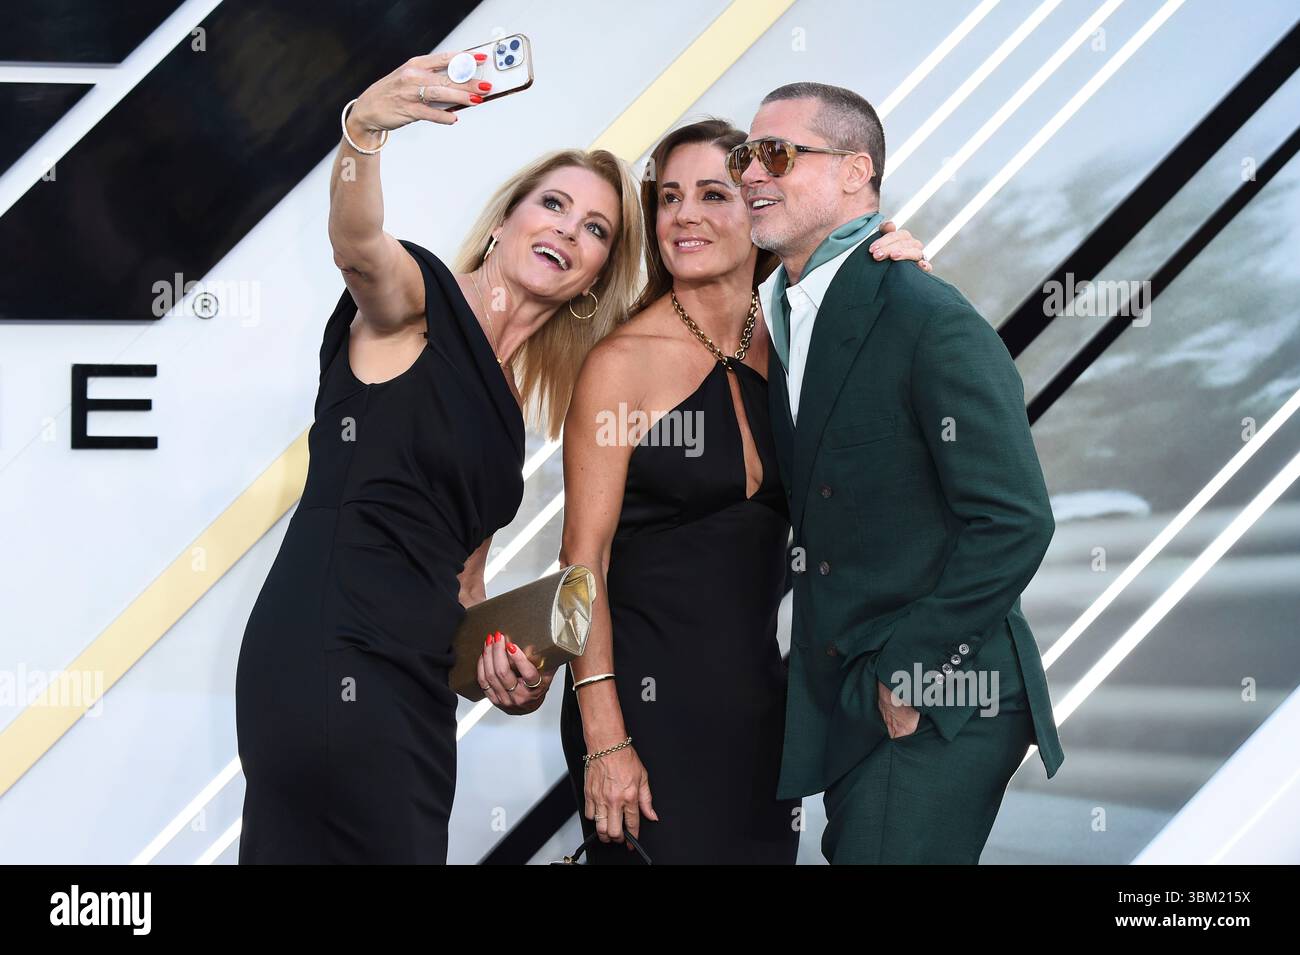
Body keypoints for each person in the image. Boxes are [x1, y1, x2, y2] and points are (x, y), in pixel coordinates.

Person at [234, 50, 643, 863]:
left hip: (415, 689)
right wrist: (363, 131)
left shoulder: (510, 420)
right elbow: (357, 247)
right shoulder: (419, 304)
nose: (568, 227)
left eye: (594, 228)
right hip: (331, 655)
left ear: (595, 277)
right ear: (505, 220)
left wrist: (508, 668)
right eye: (553, 204)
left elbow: (462, 592)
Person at [553, 118, 928, 863]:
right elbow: (579, 560)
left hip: (764, 716)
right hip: (641, 713)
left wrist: (903, 268)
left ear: (758, 207)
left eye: (713, 194)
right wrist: (602, 733)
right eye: (668, 198)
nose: (684, 215)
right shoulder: (620, 364)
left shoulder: (801, 337)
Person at [737, 82, 1065, 864]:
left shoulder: (927, 315)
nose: (752, 172)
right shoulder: (786, 318)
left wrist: (911, 674)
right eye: (746, 154)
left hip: (942, 701)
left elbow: (1016, 518)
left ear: (856, 172)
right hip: (858, 700)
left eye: (778, 153)